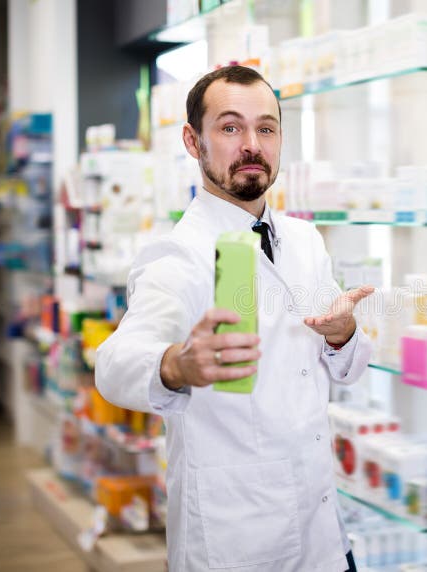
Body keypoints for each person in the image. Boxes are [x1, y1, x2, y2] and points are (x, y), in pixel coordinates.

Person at [96, 65, 373, 572]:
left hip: (326, 538)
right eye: (230, 128)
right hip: (236, 543)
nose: (252, 144)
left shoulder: (305, 242)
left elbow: (346, 368)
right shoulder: (177, 257)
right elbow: (115, 364)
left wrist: (344, 336)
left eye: (265, 128)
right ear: (192, 140)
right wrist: (175, 365)